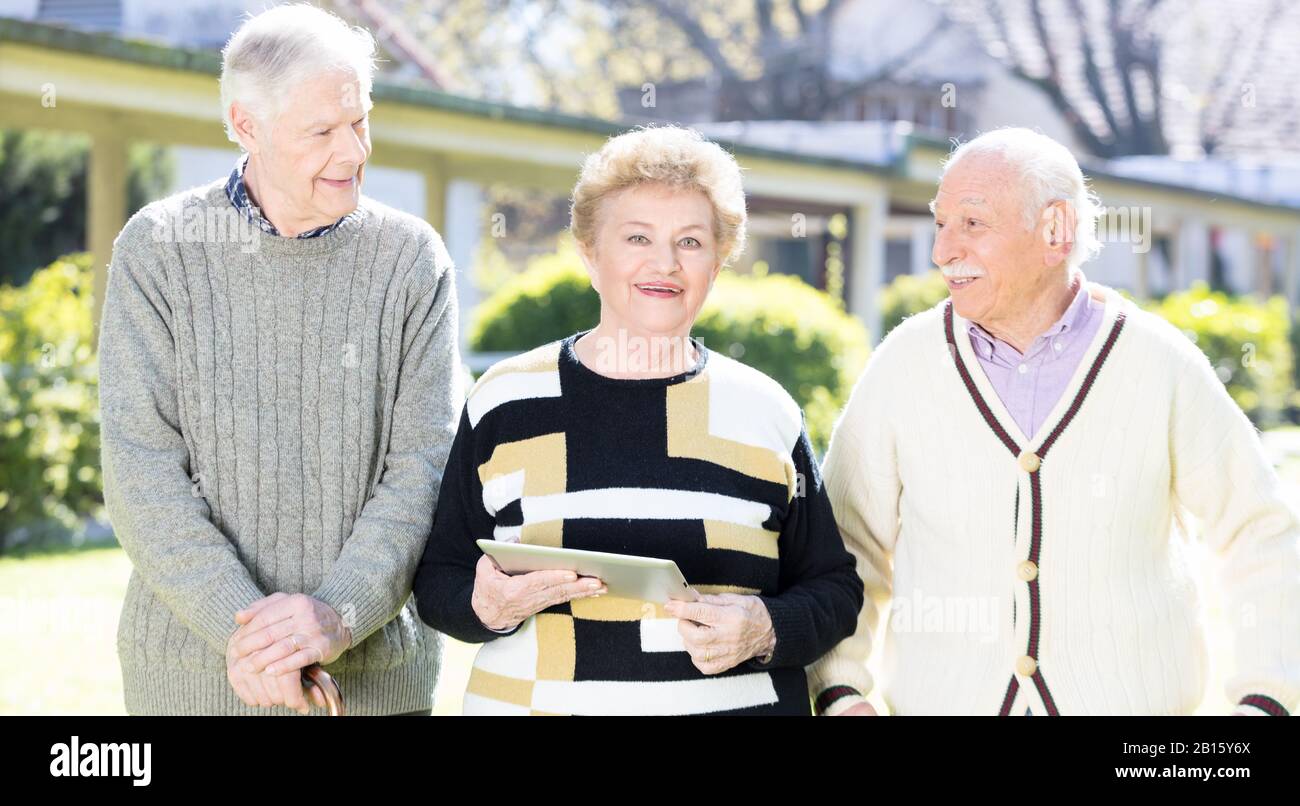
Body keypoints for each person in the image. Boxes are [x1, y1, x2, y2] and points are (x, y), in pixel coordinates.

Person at [811, 127, 1300, 716]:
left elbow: (1263, 532)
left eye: (972, 223)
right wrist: (840, 692)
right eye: (939, 223)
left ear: (1055, 230)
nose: (942, 251)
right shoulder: (904, 364)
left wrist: (1267, 698)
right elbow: (842, 545)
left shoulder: (1158, 363)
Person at [413, 125, 863, 715]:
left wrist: (766, 626)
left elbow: (834, 588)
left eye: (691, 242)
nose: (665, 264)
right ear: (589, 252)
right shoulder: (505, 401)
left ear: (719, 262)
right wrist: (485, 607)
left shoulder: (766, 410)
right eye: (637, 237)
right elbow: (439, 579)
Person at [98, 4, 459, 715]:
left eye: (360, 122)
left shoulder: (412, 260)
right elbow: (141, 467)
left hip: (375, 687)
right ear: (246, 125)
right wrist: (253, 635)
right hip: (195, 684)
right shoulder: (158, 250)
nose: (353, 152)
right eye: (322, 132)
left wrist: (338, 614)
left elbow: (427, 463)